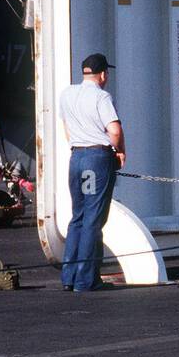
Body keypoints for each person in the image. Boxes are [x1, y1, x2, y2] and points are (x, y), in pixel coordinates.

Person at [57, 54, 125, 292]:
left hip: (76, 157)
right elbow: (114, 130)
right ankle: (86, 280)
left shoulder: (67, 94)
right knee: (93, 220)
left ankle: (69, 276)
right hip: (96, 158)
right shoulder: (102, 96)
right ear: (103, 74)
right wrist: (120, 151)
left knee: (78, 216)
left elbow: (66, 127)